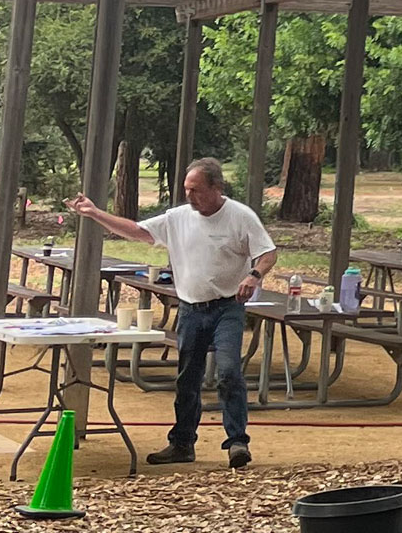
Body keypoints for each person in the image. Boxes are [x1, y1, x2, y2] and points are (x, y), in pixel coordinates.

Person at [68, 157, 277, 470]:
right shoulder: (178, 217)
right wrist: (95, 213)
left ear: (217, 188)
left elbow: (268, 252)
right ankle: (181, 442)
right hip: (191, 308)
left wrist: (254, 276)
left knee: (229, 371)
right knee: (187, 379)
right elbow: (138, 231)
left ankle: (237, 442)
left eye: (196, 190)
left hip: (227, 307)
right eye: (186, 190)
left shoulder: (239, 216)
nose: (190, 196)